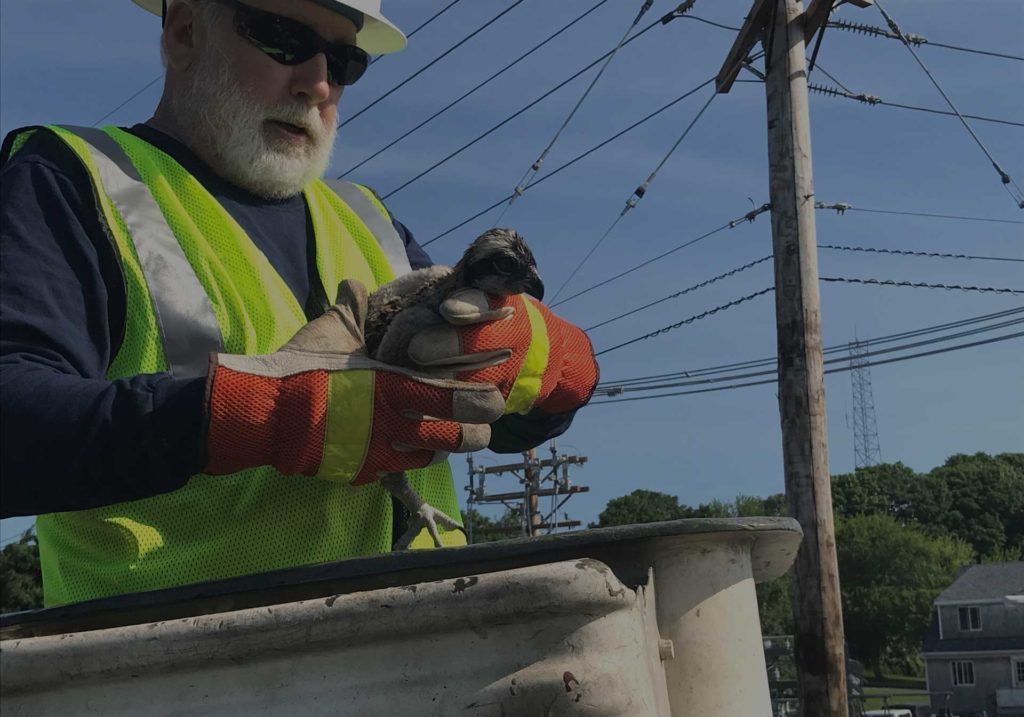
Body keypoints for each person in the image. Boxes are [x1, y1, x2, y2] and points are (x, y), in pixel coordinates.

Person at [0, 0, 598, 607]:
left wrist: (539, 366)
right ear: (184, 32)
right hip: (182, 666)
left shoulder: (366, 219)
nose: (317, 83)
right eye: (283, 38)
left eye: (343, 62)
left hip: (426, 643)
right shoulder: (76, 180)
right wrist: (252, 416)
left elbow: (486, 419)